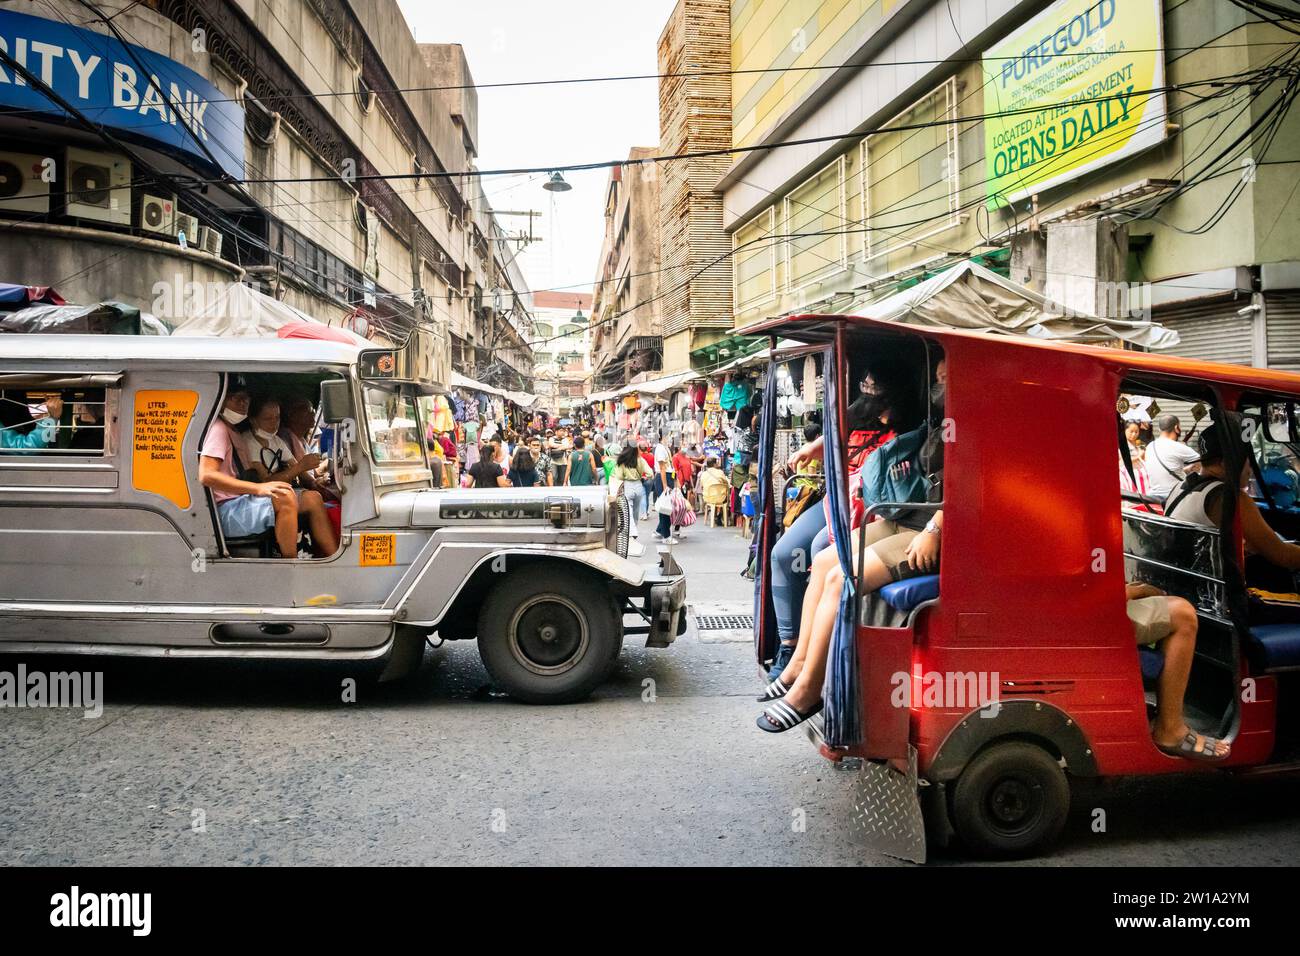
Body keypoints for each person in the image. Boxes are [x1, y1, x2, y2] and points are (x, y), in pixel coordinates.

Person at [758, 359, 943, 729]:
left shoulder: (974, 418)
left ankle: (810, 690)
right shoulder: (938, 416)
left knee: (843, 579)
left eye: (947, 375)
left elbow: (972, 488)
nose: (940, 380)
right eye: (937, 374)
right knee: (827, 560)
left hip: (933, 530)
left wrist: (936, 530)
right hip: (907, 517)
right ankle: (797, 665)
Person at [1125, 583, 1230, 761]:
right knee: (1183, 614)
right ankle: (1170, 730)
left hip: (1076, 612)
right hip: (1087, 616)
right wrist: (1137, 591)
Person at [198, 383, 300, 559]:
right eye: (235, 398)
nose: (243, 403)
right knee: (284, 498)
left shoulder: (232, 430)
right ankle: (291, 563)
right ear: (220, 400)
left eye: (245, 398)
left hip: (236, 503)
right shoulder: (219, 429)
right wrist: (258, 489)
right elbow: (206, 475)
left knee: (287, 491)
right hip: (224, 511)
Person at [241, 396, 338, 557]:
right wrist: (301, 466)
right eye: (268, 419)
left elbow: (299, 471)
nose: (274, 424)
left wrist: (316, 482)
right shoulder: (247, 441)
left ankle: (328, 555)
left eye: (277, 418)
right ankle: (331, 555)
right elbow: (265, 482)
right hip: (261, 497)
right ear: (253, 420)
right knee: (312, 499)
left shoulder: (276, 440)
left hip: (282, 492)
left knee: (317, 495)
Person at [1144, 413, 1200, 499]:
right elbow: (1206, 462)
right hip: (1175, 496)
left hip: (1153, 496)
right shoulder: (1177, 446)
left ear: (1159, 429)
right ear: (1176, 428)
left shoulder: (1150, 446)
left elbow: (1163, 470)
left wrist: (1185, 470)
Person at [613, 445, 652, 523]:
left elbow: (619, 476)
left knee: (628, 510)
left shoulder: (622, 461)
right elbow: (650, 473)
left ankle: (632, 531)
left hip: (628, 485)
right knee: (635, 511)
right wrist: (643, 477)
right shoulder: (640, 460)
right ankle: (634, 529)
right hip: (638, 484)